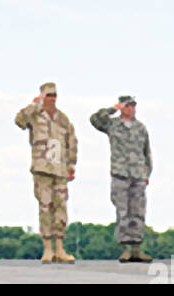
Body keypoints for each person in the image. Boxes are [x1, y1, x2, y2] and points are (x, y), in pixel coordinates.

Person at [15, 81, 77, 263]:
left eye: (54, 95)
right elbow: (19, 121)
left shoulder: (63, 119)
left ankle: (60, 249)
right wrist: (35, 105)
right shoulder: (34, 115)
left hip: (60, 169)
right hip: (42, 167)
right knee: (45, 206)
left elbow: (71, 143)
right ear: (42, 96)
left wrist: (71, 166)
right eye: (48, 95)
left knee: (61, 208)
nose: (52, 99)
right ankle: (47, 249)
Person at [90, 95, 152, 262]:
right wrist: (113, 109)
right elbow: (94, 120)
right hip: (120, 174)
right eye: (128, 106)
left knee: (138, 212)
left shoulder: (140, 128)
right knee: (123, 212)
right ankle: (125, 249)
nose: (132, 109)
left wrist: (147, 174)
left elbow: (147, 152)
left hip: (138, 175)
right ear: (122, 107)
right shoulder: (112, 125)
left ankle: (137, 249)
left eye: (133, 106)